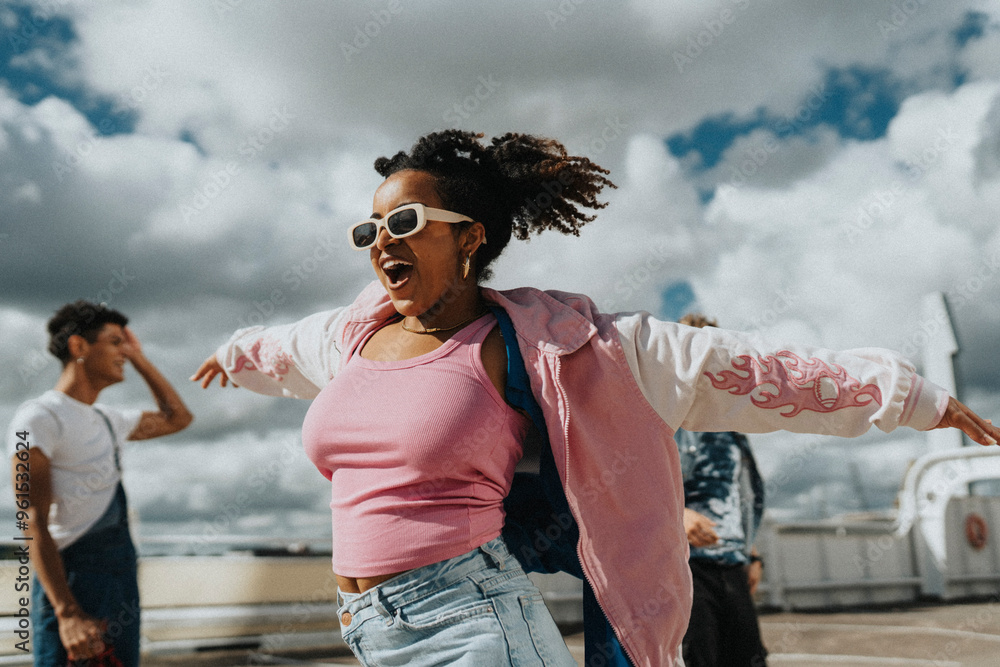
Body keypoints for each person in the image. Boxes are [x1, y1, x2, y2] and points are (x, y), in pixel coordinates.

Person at [192, 130, 999, 667]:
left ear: (470, 236)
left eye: (404, 220)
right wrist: (234, 355)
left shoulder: (572, 348)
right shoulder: (350, 337)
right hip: (368, 626)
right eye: (369, 230)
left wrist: (909, 393)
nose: (381, 243)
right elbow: (280, 347)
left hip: (473, 624)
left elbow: (744, 368)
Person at [7, 301, 193, 666]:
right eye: (114, 342)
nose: (123, 352)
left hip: (120, 581)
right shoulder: (35, 418)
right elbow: (31, 520)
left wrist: (140, 358)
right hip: (71, 583)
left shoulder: (109, 419)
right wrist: (67, 613)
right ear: (78, 347)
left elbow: (178, 418)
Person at [676, 313, 768, 667]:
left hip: (732, 563)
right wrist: (678, 515)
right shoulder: (666, 420)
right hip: (685, 567)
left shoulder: (733, 429)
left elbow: (740, 497)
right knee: (698, 659)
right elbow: (634, 487)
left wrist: (753, 553)